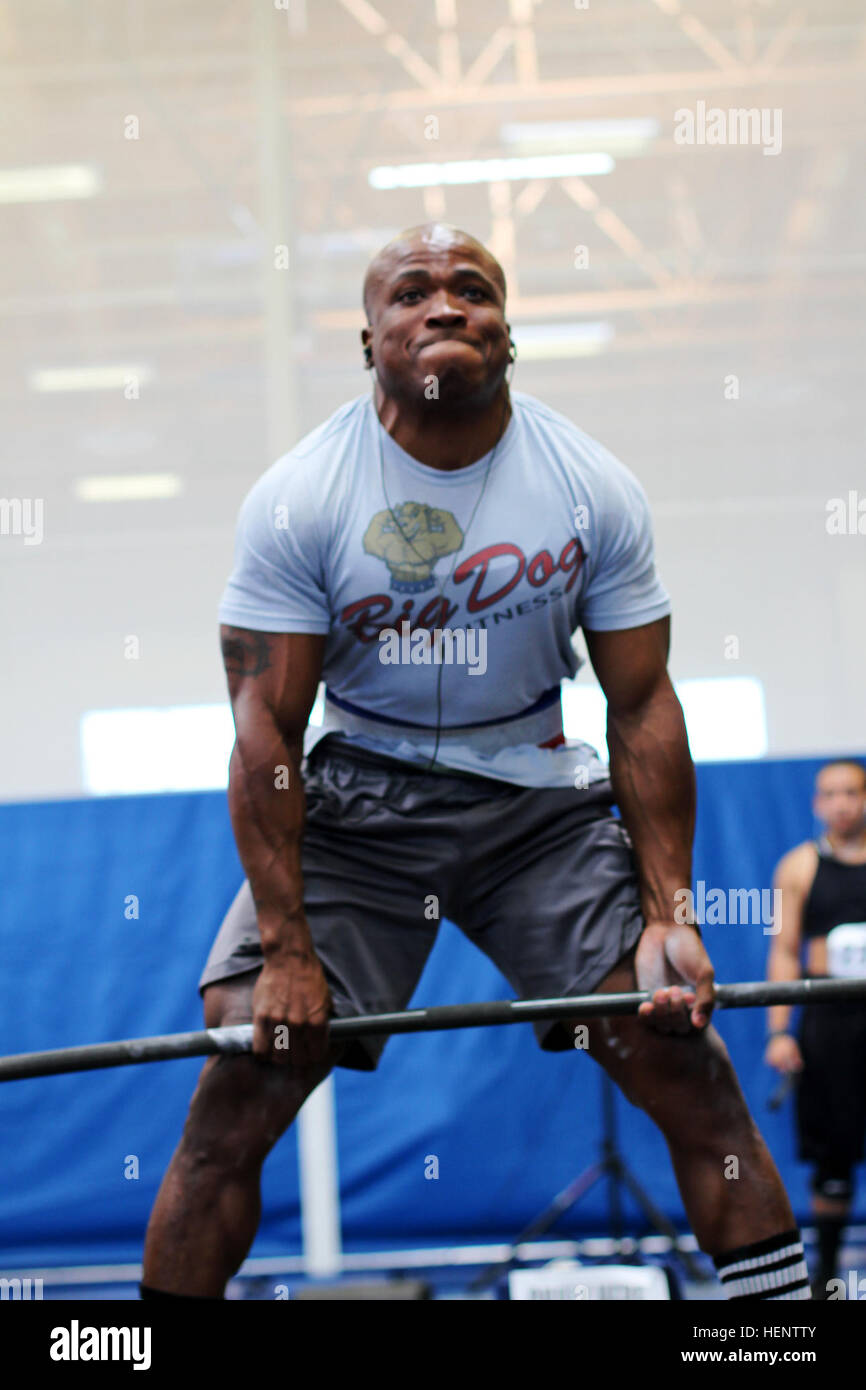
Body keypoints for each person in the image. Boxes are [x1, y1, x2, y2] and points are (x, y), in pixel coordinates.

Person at [141, 222, 808, 1300]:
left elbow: (638, 707)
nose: (445, 305)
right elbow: (266, 734)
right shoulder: (300, 496)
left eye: (472, 289)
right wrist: (286, 948)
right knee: (241, 1072)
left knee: (686, 1066)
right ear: (369, 339)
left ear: (507, 332)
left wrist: (669, 916)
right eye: (411, 292)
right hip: (358, 803)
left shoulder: (590, 486)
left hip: (535, 802)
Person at [766, 758, 866, 1296]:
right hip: (828, 1020)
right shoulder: (800, 866)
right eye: (831, 794)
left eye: (852, 792)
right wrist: (779, 1031)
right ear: (816, 804)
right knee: (832, 1152)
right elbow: (784, 950)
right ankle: (827, 1274)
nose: (842, 803)